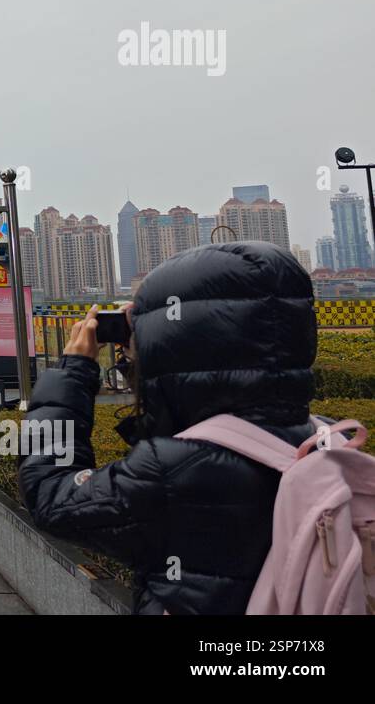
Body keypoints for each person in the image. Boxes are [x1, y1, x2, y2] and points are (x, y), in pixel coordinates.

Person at [18, 241, 316, 614]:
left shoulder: (171, 471)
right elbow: (194, 401)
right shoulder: (325, 443)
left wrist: (72, 373)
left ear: (177, 342)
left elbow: (51, 497)